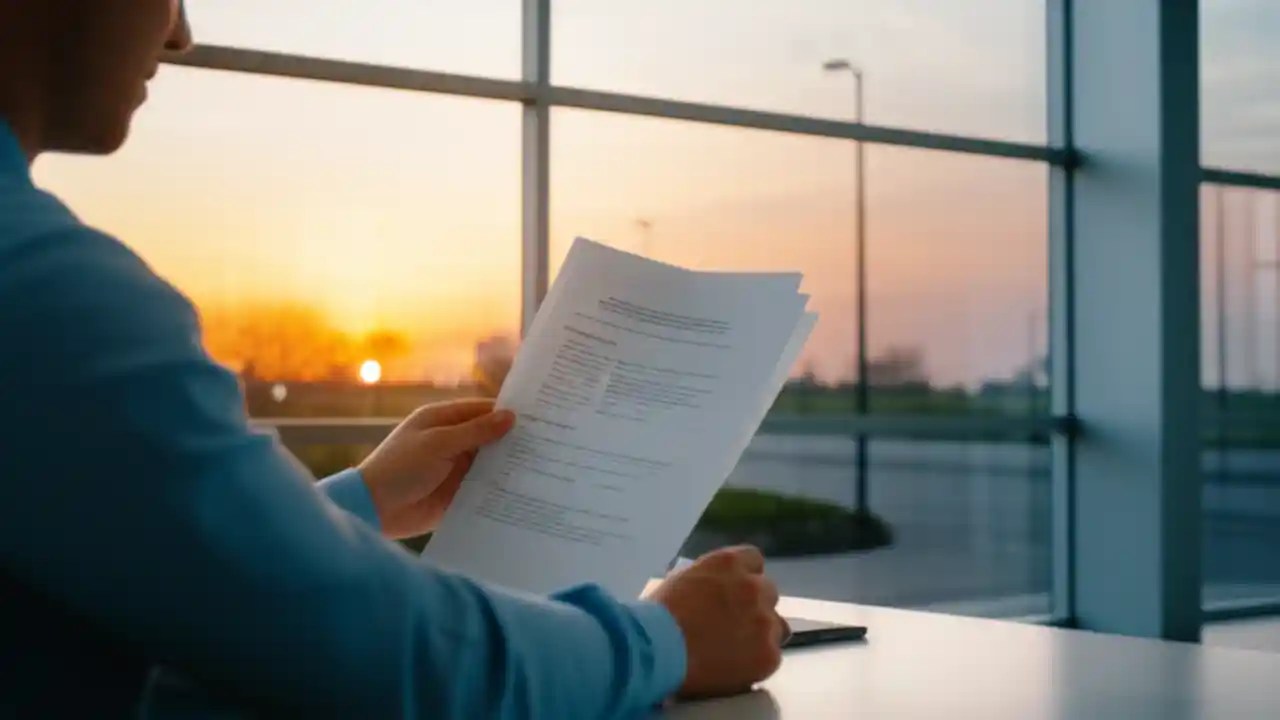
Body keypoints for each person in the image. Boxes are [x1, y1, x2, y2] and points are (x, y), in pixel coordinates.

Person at [0, 2, 786, 717]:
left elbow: (161, 573)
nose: (179, 33)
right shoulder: (46, 293)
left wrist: (366, 499)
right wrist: (665, 640)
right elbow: (393, 660)